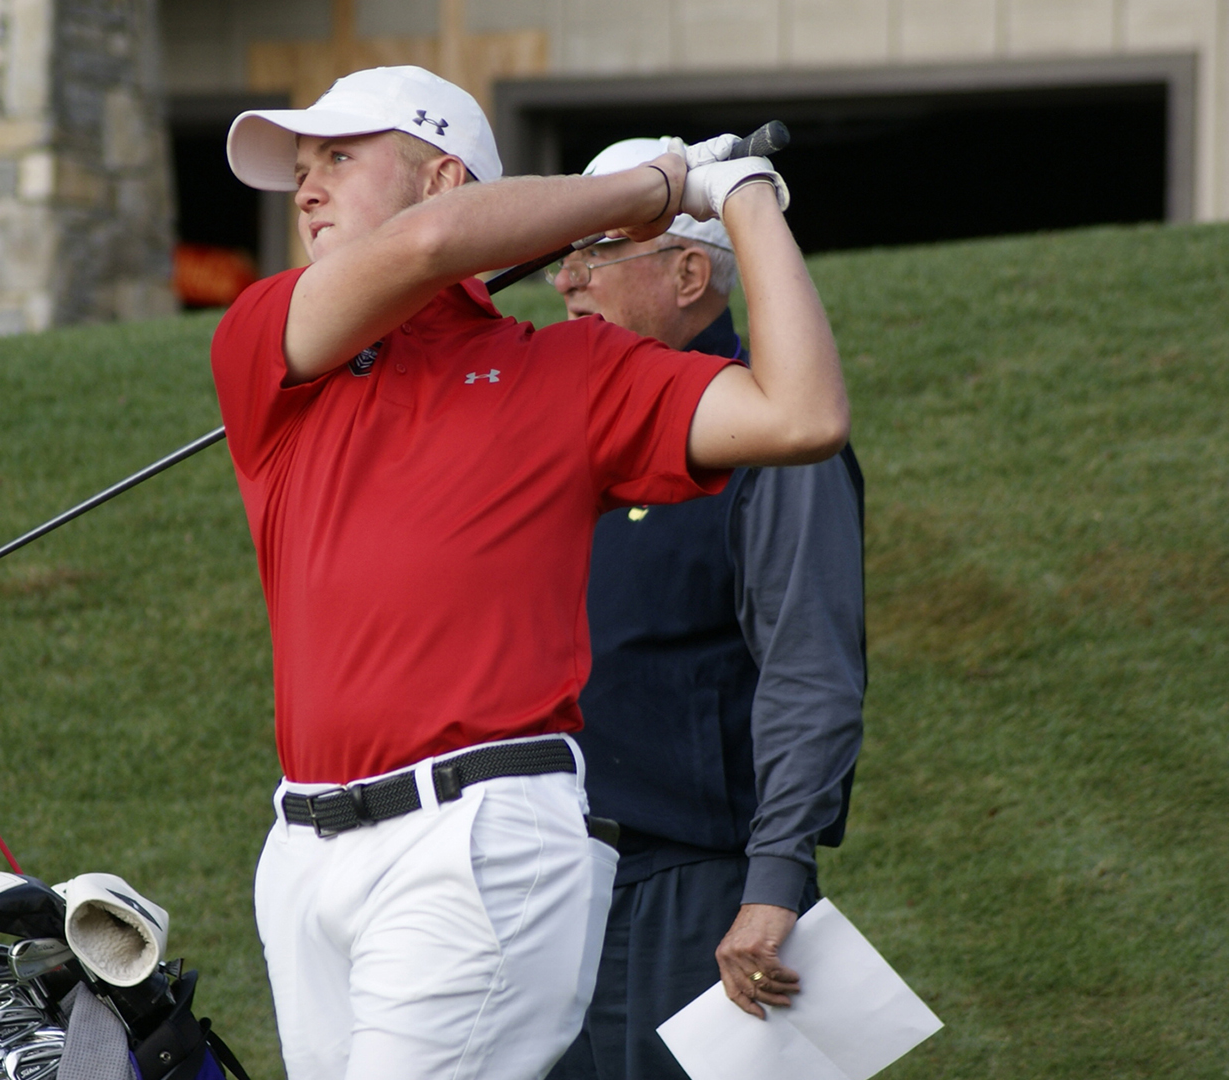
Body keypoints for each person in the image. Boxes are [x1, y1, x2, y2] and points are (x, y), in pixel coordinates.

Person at [211, 66, 849, 1080]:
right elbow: (428, 249)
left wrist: (742, 199)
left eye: (339, 157)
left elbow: (802, 416)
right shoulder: (268, 343)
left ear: (444, 178)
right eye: (300, 167)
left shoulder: (572, 373)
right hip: (305, 853)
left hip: (478, 839)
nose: (307, 190)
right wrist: (655, 187)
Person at [545, 138, 866, 1080]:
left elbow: (810, 668)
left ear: (690, 273)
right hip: (553, 879)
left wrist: (773, 886)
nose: (564, 278)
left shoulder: (764, 437)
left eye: (593, 250)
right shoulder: (566, 431)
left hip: (697, 886)